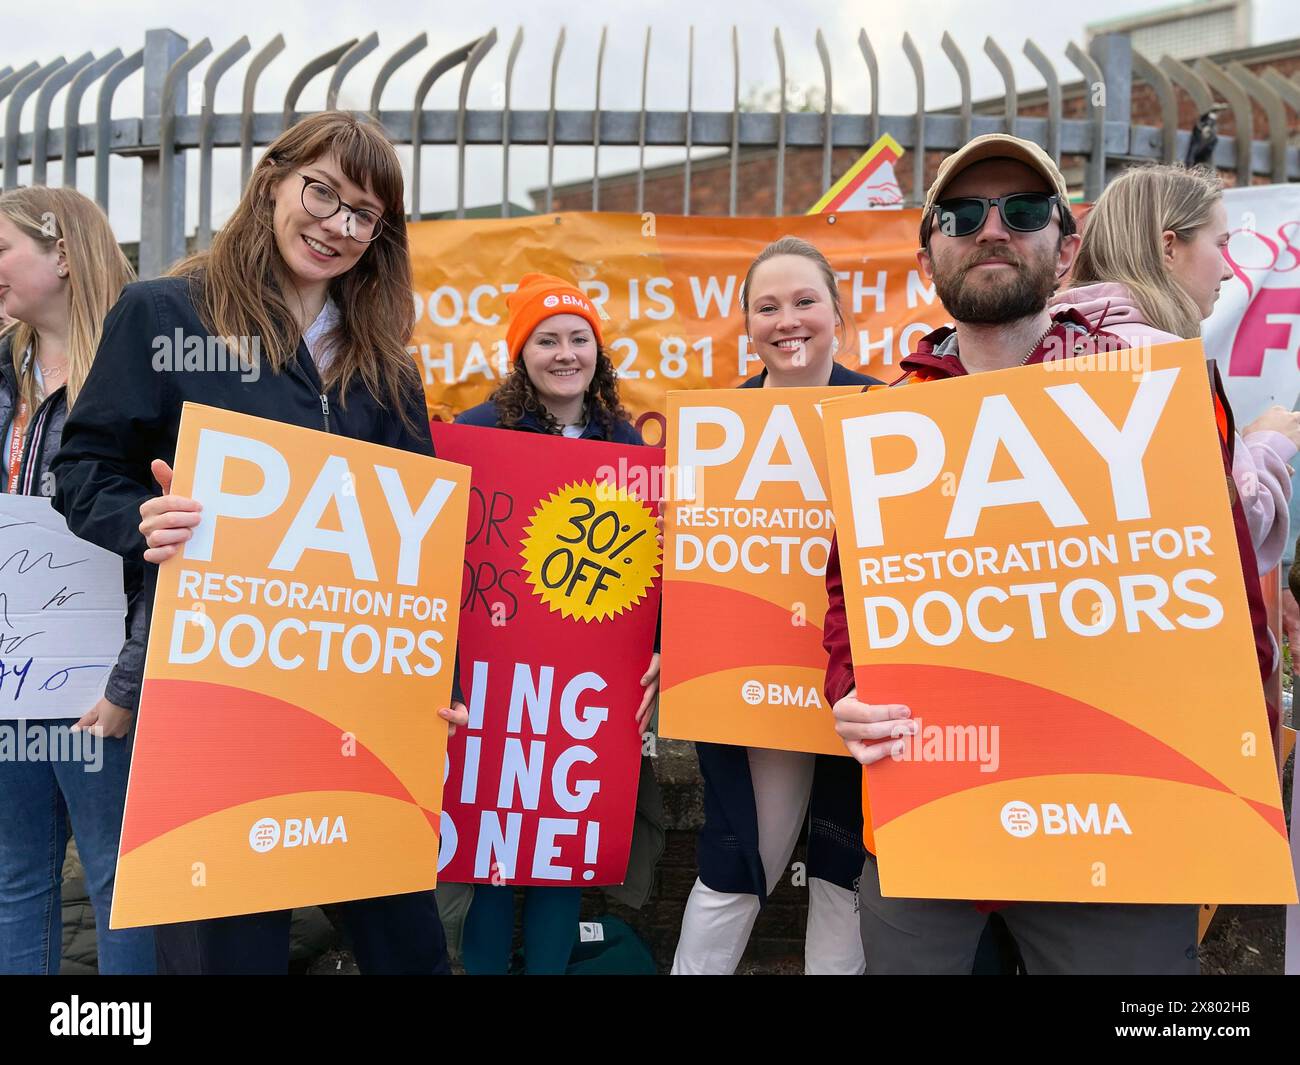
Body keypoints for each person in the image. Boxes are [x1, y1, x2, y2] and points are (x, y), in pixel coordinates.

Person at [825, 133, 1275, 975]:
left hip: (1117, 830)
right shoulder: (890, 419)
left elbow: (1226, 603)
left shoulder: (1142, 387)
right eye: (961, 214)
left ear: (1066, 247)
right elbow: (848, 596)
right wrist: (849, 692)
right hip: (932, 821)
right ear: (929, 258)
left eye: (1023, 210)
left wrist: (1232, 780)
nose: (991, 228)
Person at [50, 111, 467, 975]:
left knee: (409, 949)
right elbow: (85, 466)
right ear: (273, 181)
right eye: (322, 192)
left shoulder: (385, 362)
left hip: (360, 702)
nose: (337, 225)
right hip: (216, 693)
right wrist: (139, 519)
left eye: (364, 215)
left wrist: (438, 677)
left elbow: (419, 543)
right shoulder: (163, 312)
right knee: (227, 952)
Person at [671, 237, 881, 975]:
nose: (787, 320)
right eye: (767, 306)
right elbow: (685, 564)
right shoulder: (715, 429)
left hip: (860, 681)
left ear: (837, 312)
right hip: (754, 685)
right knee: (737, 866)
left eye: (804, 301)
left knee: (843, 868)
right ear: (747, 322)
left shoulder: (886, 410)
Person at [451, 272, 660, 975]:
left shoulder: (626, 443)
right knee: (488, 852)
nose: (565, 352)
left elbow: (650, 569)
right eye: (547, 339)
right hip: (497, 686)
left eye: (579, 337)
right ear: (521, 353)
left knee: (560, 858)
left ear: (598, 351)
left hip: (585, 694)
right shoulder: (477, 433)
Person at [0, 185, 152, 974]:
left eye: (1, 248)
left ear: (62, 255)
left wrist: (130, 680)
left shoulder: (135, 382)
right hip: (9, 677)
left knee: (118, 880)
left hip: (101, 682)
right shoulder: (4, 374)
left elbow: (168, 548)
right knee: (15, 879)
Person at [1053, 163, 1300, 577]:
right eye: (1220, 245)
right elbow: (1230, 531)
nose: (1227, 269)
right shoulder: (1160, 363)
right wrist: (1268, 448)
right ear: (1168, 248)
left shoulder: (1047, 343)